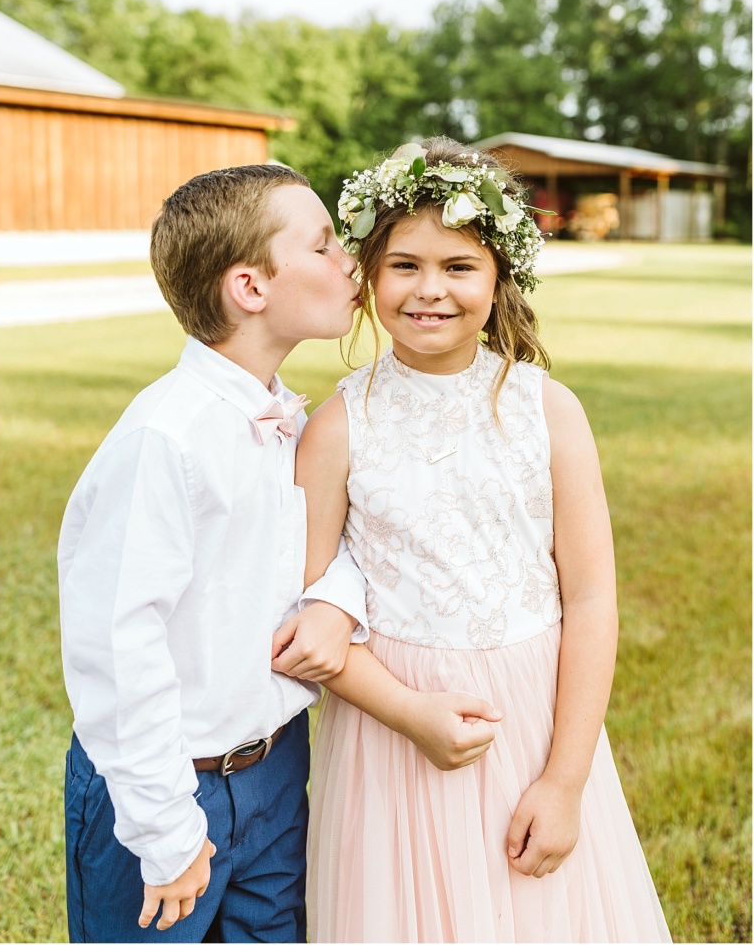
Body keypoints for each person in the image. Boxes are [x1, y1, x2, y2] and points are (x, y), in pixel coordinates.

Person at [295, 139, 672, 943]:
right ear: (369, 274)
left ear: (499, 277)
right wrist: (409, 712)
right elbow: (309, 613)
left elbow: (590, 597)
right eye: (405, 264)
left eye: (458, 266)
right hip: (391, 732)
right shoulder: (335, 427)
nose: (430, 288)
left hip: (529, 720)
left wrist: (564, 780)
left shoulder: (549, 410)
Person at [59, 164, 372, 944]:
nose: (351, 261)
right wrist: (166, 830)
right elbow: (117, 646)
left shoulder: (287, 420)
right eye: (324, 244)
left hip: (275, 771)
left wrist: (335, 602)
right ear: (250, 287)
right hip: (164, 787)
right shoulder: (164, 439)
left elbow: (333, 543)